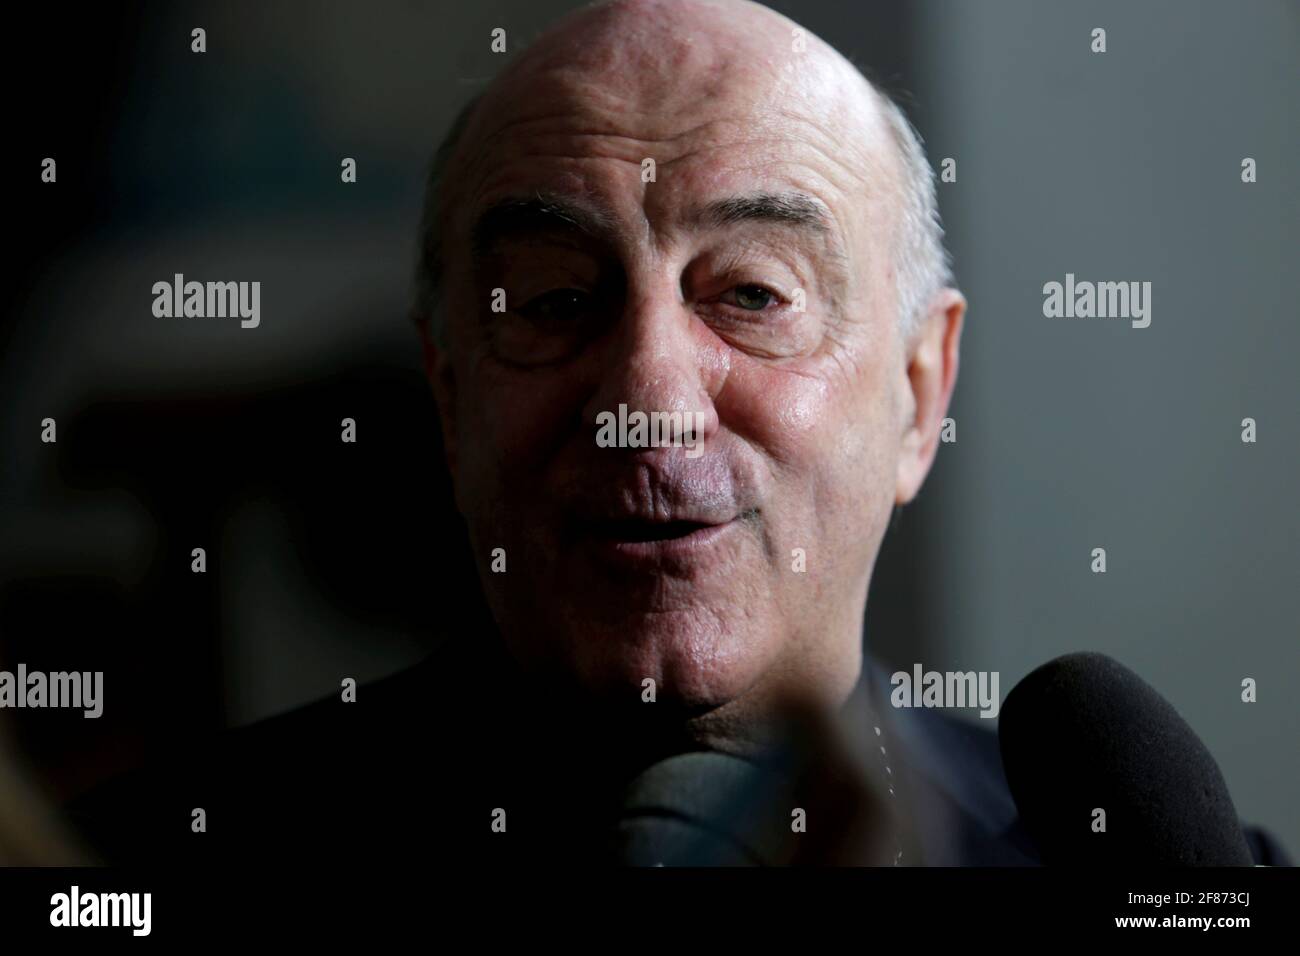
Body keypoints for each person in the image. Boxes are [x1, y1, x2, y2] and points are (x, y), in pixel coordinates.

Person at [64, 0, 1290, 867]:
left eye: (751, 293)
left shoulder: (1131, 866)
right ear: (447, 396)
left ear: (920, 391)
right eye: (553, 300)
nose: (648, 391)